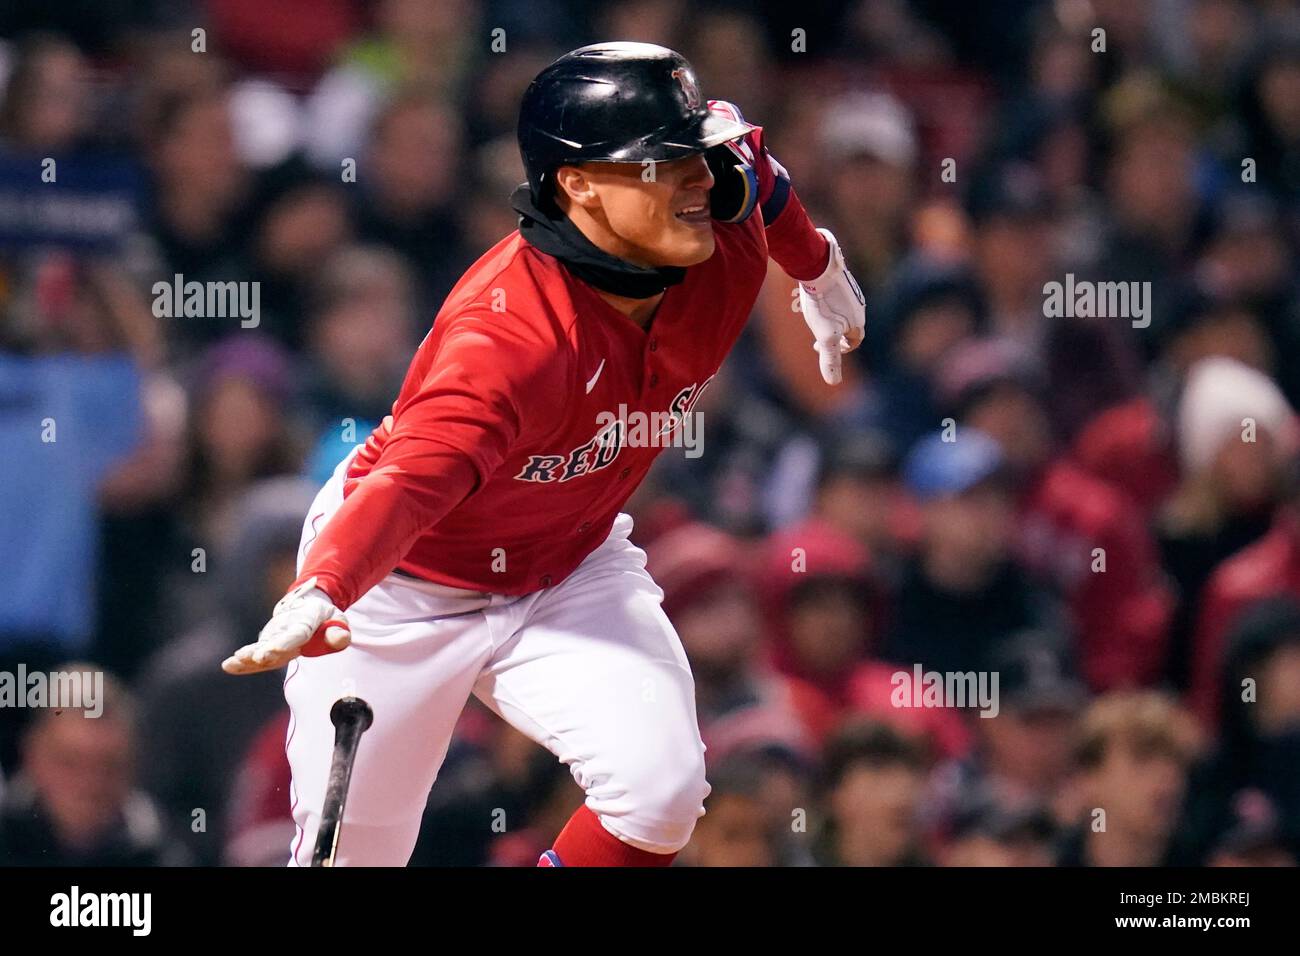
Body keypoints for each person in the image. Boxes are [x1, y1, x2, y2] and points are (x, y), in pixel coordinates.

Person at [221, 42, 866, 867]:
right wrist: (324, 584)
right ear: (577, 184)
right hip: (403, 582)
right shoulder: (507, 336)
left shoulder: (725, 226)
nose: (699, 179)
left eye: (693, 153)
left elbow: (753, 161)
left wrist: (816, 266)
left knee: (661, 793)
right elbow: (413, 478)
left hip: (568, 563)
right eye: (663, 164)